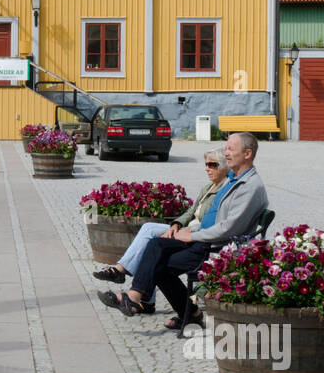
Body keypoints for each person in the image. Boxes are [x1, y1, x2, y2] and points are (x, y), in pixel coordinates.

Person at [100, 132, 269, 327]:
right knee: (155, 245)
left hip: (215, 247)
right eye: (226, 148)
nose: (226, 153)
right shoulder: (233, 178)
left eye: (231, 149)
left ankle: (138, 299)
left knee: (158, 260)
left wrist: (192, 235)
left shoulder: (250, 186)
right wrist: (187, 229)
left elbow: (228, 229)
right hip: (201, 239)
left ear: (247, 154)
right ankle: (154, 302)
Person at [92, 149, 229, 296]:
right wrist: (176, 224)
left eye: (212, 165)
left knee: (151, 240)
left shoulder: (224, 190)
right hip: (186, 228)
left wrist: (192, 230)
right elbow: (190, 212)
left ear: (223, 166)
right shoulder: (208, 188)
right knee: (148, 229)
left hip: (195, 234)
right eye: (206, 164)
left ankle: (130, 282)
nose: (207, 168)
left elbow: (213, 221)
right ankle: (132, 284)